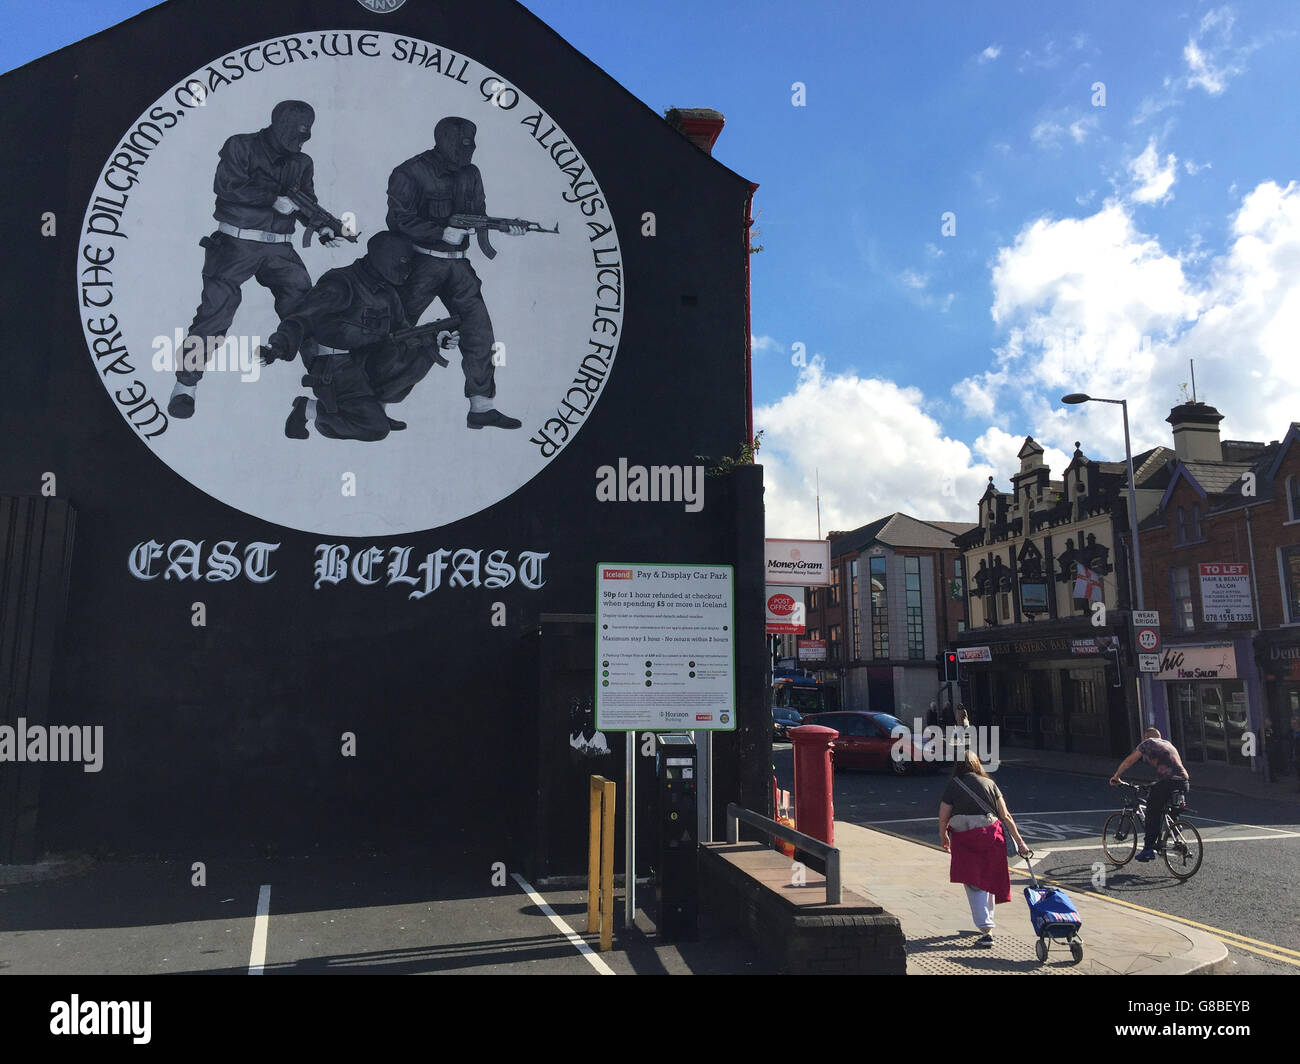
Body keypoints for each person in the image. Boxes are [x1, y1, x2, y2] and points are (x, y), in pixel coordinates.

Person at [169, 100, 336, 420]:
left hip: (280, 249)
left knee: (309, 310)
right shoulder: (241, 145)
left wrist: (323, 226)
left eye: (304, 136)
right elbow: (227, 186)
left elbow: (307, 204)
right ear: (279, 125)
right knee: (215, 313)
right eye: (294, 134)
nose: (299, 142)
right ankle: (184, 386)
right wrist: (273, 199)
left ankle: (327, 383)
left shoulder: (302, 162)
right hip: (235, 242)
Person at [385, 116, 525, 431]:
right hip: (420, 263)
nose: (469, 150)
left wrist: (503, 226)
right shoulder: (410, 172)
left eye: (471, 144)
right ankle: (374, 402)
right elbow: (397, 219)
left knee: (479, 332)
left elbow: (478, 215)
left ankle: (481, 407)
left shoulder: (471, 174)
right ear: (445, 141)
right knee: (396, 330)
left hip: (458, 265)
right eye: (462, 144)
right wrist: (438, 232)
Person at [256, 232, 458, 442]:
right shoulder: (341, 284)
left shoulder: (388, 293)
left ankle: (374, 409)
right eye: (403, 263)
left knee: (418, 351)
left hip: (366, 361)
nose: (407, 271)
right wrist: (275, 348)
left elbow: (403, 331)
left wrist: (436, 338)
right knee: (375, 429)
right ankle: (309, 409)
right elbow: (302, 319)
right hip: (335, 366)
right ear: (383, 256)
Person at [939, 751, 1030, 947]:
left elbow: (943, 815)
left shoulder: (954, 785)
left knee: (973, 881)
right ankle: (986, 923)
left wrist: (943, 835)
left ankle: (985, 927)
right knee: (987, 877)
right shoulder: (990, 784)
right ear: (977, 764)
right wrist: (1020, 842)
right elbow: (1006, 816)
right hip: (990, 835)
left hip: (964, 839)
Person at [1110, 727, 1190, 862]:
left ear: (1146, 737)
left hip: (1168, 781)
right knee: (1167, 806)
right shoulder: (1168, 744)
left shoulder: (1147, 743)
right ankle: (1175, 827)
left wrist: (1117, 776)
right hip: (1184, 781)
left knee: (1153, 813)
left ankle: (1148, 850)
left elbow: (1129, 761)